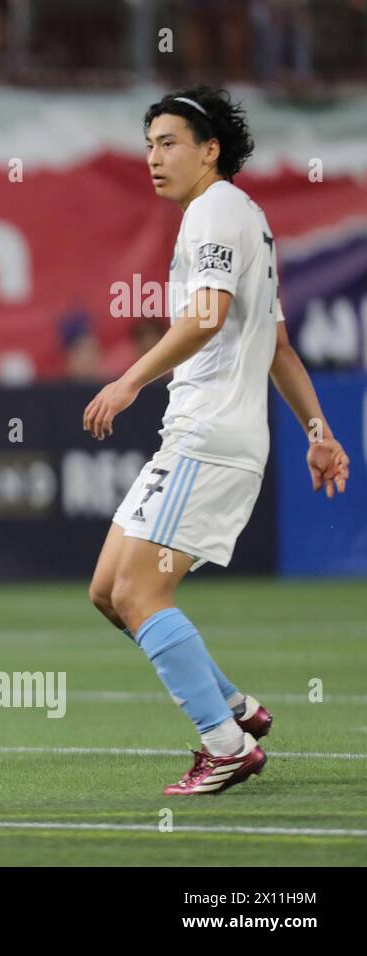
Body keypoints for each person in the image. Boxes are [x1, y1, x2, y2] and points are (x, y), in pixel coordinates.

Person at [84, 87, 349, 795]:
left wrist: (129, 380)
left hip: (209, 438)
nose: (153, 157)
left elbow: (206, 318)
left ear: (210, 150)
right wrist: (319, 432)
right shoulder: (247, 217)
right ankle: (233, 706)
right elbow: (280, 346)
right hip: (206, 436)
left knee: (141, 590)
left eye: (168, 142)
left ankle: (223, 743)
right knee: (109, 592)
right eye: (148, 145)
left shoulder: (211, 212)